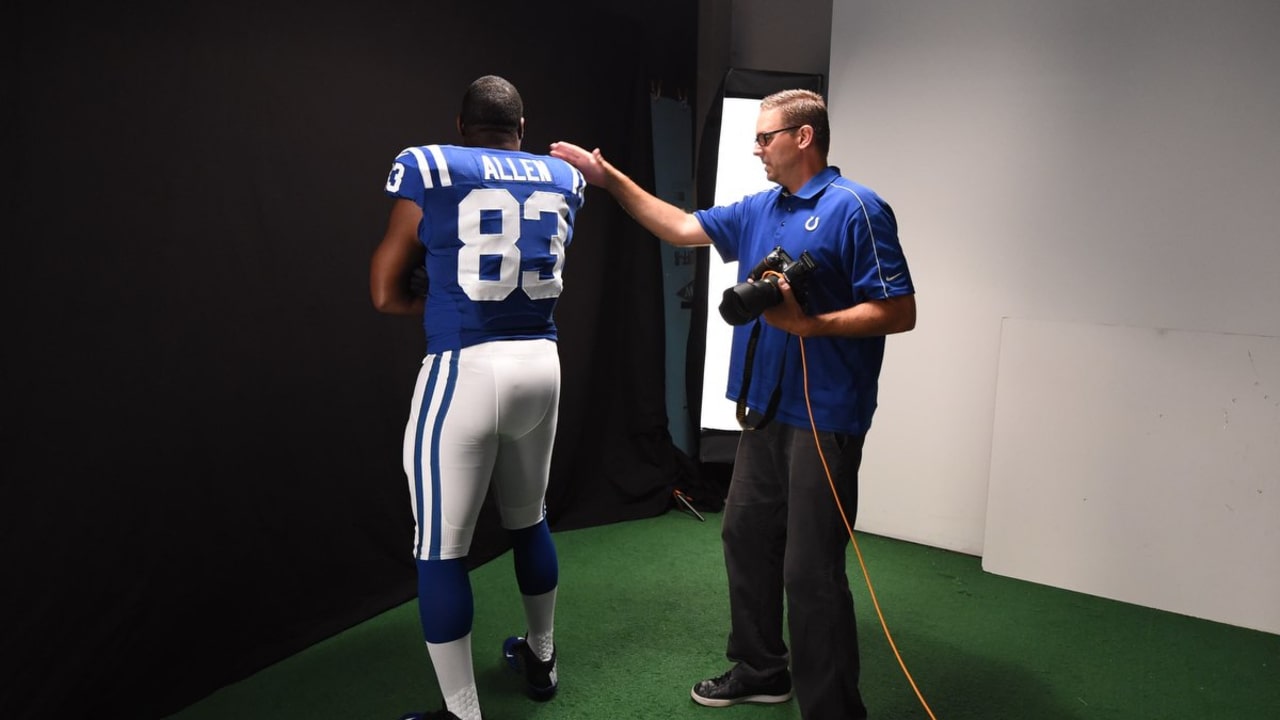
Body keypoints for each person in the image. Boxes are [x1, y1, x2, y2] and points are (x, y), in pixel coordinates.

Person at [550, 88, 915, 720]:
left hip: (825, 416)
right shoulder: (758, 208)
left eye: (766, 136)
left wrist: (814, 326)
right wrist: (609, 180)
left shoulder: (857, 208)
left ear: (804, 137)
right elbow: (681, 226)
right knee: (744, 535)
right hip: (763, 409)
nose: (757, 148)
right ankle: (761, 669)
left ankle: (832, 710)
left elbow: (900, 311)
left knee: (810, 571)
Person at [370, 75, 586, 720]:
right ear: (523, 128)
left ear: (461, 126)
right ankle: (542, 660)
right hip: (542, 364)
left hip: (464, 365)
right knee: (530, 517)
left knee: (439, 549)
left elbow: (384, 292)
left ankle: (463, 714)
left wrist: (429, 301)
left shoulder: (429, 166)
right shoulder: (561, 175)